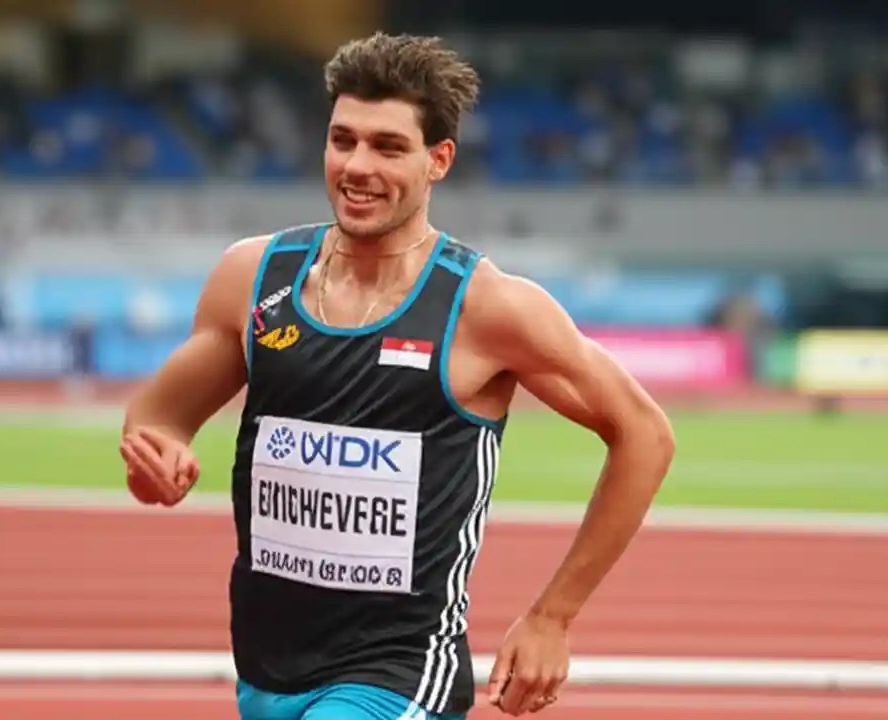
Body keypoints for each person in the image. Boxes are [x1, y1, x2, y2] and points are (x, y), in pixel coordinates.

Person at [120, 32, 676, 720]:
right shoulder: (254, 277)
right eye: (342, 140)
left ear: (438, 159)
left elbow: (645, 433)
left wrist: (552, 617)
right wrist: (157, 455)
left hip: (399, 673)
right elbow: (158, 415)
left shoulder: (484, 307)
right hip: (265, 669)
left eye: (387, 147)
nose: (357, 166)